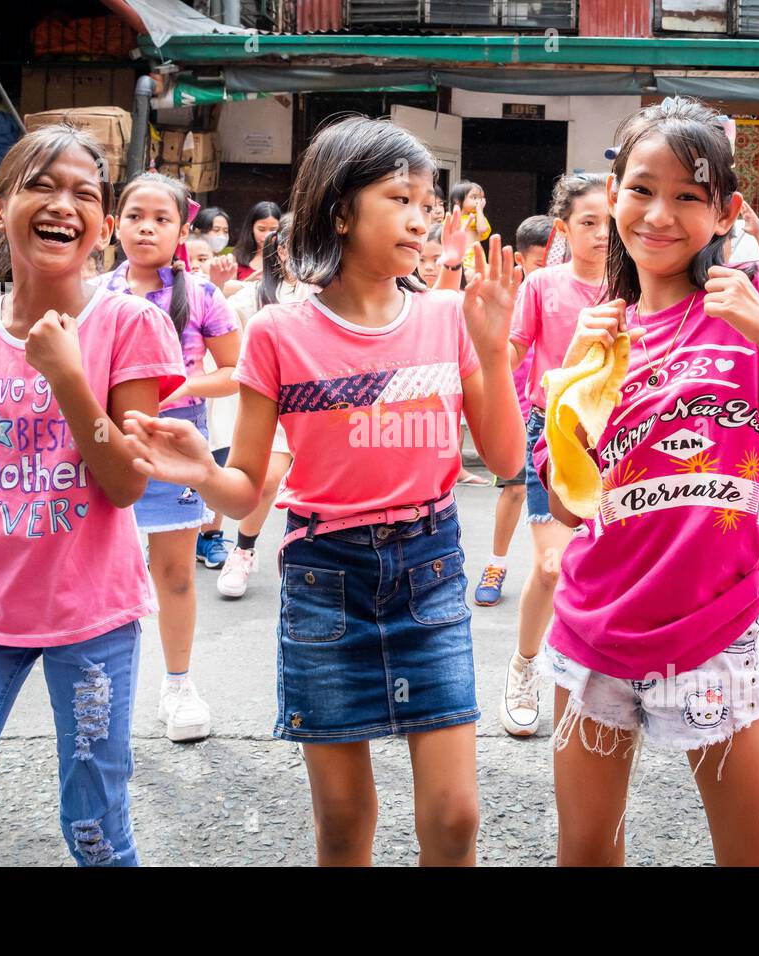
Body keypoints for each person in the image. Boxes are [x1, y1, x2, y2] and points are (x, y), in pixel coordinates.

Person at [122, 115, 525, 866]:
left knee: (456, 816)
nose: (421, 217)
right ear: (340, 210)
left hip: (430, 568)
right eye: (401, 198)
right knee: (343, 819)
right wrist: (203, 474)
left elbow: (505, 458)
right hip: (323, 577)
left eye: (427, 202)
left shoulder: (447, 318)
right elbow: (245, 491)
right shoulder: (278, 332)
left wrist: (495, 350)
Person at [536, 96, 759, 866]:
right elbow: (573, 502)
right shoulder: (599, 329)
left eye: (688, 196)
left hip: (715, 630)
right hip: (594, 629)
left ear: (727, 210)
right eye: (641, 189)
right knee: (586, 850)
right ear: (611, 198)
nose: (659, 214)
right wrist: (571, 378)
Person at [0, 125, 186, 865]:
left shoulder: (131, 323)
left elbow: (126, 483)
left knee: (94, 830)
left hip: (93, 615)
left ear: (101, 224)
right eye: (42, 186)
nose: (63, 205)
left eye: (84, 194)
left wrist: (65, 375)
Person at [99, 172, 240, 741]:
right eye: (135, 216)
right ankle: (102, 687)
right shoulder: (96, 294)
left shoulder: (201, 295)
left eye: (161, 218)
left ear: (183, 228)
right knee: (103, 575)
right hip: (104, 452)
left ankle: (178, 684)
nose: (146, 228)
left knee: (175, 576)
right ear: (114, 225)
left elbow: (236, 372)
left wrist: (178, 389)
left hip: (176, 458)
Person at [501, 174, 608, 737]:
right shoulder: (542, 284)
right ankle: (523, 666)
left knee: (604, 567)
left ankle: (589, 674)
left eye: (608, 223)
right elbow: (513, 347)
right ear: (564, 228)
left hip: (618, 439)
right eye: (588, 223)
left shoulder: (632, 286)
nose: (601, 234)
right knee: (550, 565)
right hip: (552, 432)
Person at [214, 215, 315, 599]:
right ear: (282, 248)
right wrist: (221, 288)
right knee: (268, 480)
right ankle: (243, 549)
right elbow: (221, 318)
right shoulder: (256, 295)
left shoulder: (332, 288)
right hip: (272, 406)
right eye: (298, 243)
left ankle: (308, 552)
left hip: (325, 407)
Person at [474, 213, 550, 608]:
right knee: (514, 490)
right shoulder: (509, 297)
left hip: (555, 413)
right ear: (520, 260)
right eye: (541, 259)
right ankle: (496, 563)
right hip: (517, 413)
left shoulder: (564, 289)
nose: (549, 265)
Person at [231, 201, 282, 283]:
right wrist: (248, 282)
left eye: (273, 230)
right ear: (251, 228)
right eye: (261, 229)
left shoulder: (285, 257)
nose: (266, 236)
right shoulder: (236, 258)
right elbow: (224, 291)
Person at [450, 180, 491, 273]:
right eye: (474, 197)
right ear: (458, 201)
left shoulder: (479, 218)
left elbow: (482, 229)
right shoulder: (452, 218)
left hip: (476, 263)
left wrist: (480, 210)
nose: (478, 201)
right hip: (458, 262)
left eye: (481, 198)